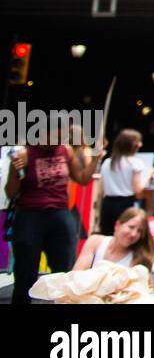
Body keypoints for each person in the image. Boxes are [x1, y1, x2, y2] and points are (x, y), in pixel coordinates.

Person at [4, 129, 98, 304]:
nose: (59, 140)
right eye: (55, 136)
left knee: (64, 272)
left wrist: (96, 158)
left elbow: (83, 179)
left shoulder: (66, 150)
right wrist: (16, 170)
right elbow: (10, 192)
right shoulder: (25, 153)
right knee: (25, 272)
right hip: (30, 214)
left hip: (59, 214)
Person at [73, 206, 154, 272]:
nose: (133, 234)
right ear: (117, 225)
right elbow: (77, 275)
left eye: (139, 231)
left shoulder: (138, 259)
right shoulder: (95, 242)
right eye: (131, 227)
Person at [98, 128, 151, 234]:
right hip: (126, 205)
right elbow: (138, 190)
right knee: (124, 236)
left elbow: (101, 189)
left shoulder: (107, 162)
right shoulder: (135, 163)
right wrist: (149, 175)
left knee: (107, 235)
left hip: (107, 204)